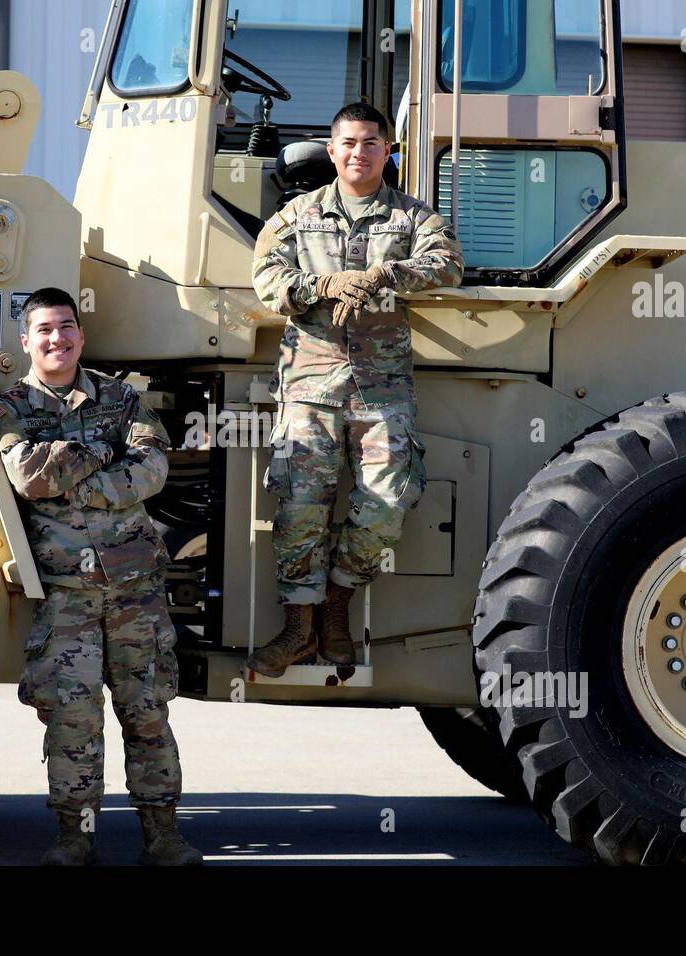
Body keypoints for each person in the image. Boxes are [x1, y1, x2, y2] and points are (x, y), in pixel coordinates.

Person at [247, 102, 464, 677]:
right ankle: (300, 626)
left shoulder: (412, 217)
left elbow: (447, 264)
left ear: (388, 150)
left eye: (371, 143)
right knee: (299, 509)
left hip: (382, 389)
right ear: (332, 148)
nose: (358, 153)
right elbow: (268, 277)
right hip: (311, 385)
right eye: (348, 143)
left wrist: (386, 275)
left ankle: (338, 605)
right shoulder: (298, 215)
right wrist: (325, 283)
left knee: (386, 505)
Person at [0, 287, 202, 866]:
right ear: (26, 341)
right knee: (72, 715)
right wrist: (106, 454)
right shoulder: (9, 407)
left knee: (147, 710)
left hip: (135, 586)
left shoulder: (121, 398)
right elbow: (28, 476)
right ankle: (74, 836)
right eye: (45, 330)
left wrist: (80, 477)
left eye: (66, 327)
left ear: (81, 335)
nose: (56, 339)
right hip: (66, 593)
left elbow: (154, 467)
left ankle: (164, 834)